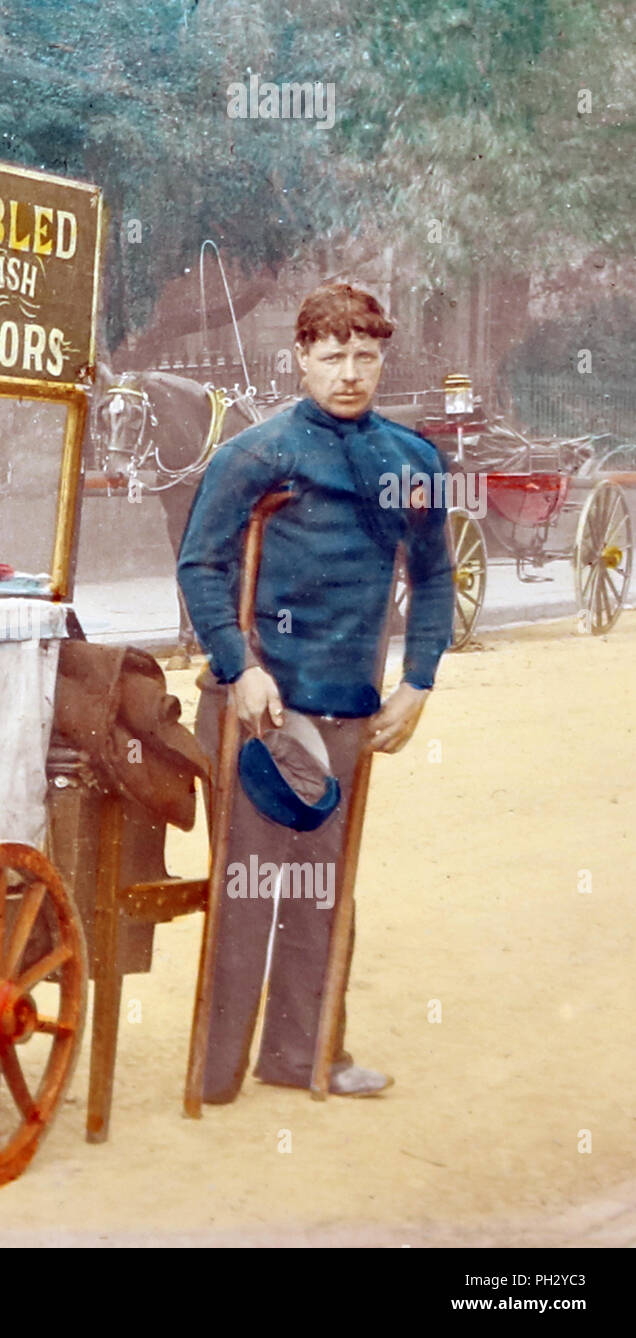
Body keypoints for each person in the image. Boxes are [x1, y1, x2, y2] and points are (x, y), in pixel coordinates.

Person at [177, 282, 454, 1102]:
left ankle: (304, 1056)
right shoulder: (258, 453)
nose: (348, 374)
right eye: (331, 357)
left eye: (364, 357)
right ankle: (217, 1069)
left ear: (382, 359)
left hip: (347, 710)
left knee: (324, 889)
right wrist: (242, 667)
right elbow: (202, 565)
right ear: (301, 357)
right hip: (260, 709)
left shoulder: (413, 461)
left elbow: (434, 576)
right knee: (254, 886)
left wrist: (420, 680)